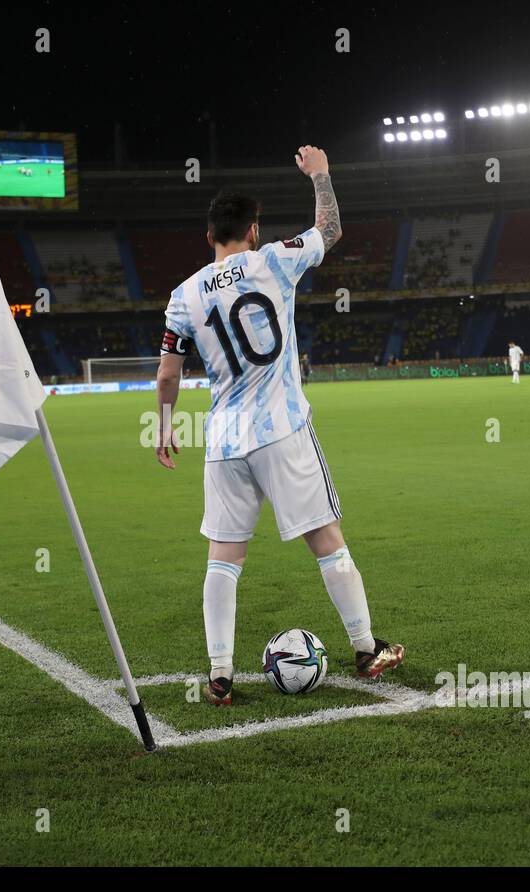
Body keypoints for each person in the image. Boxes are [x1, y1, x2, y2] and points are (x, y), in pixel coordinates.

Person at [153, 146, 403, 706]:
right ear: (253, 229)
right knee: (325, 539)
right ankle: (366, 648)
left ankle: (220, 674)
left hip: (223, 439)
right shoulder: (273, 259)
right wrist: (320, 176)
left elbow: (169, 373)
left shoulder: (183, 296)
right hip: (283, 427)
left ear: (208, 236)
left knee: (223, 556)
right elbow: (329, 231)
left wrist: (165, 425)